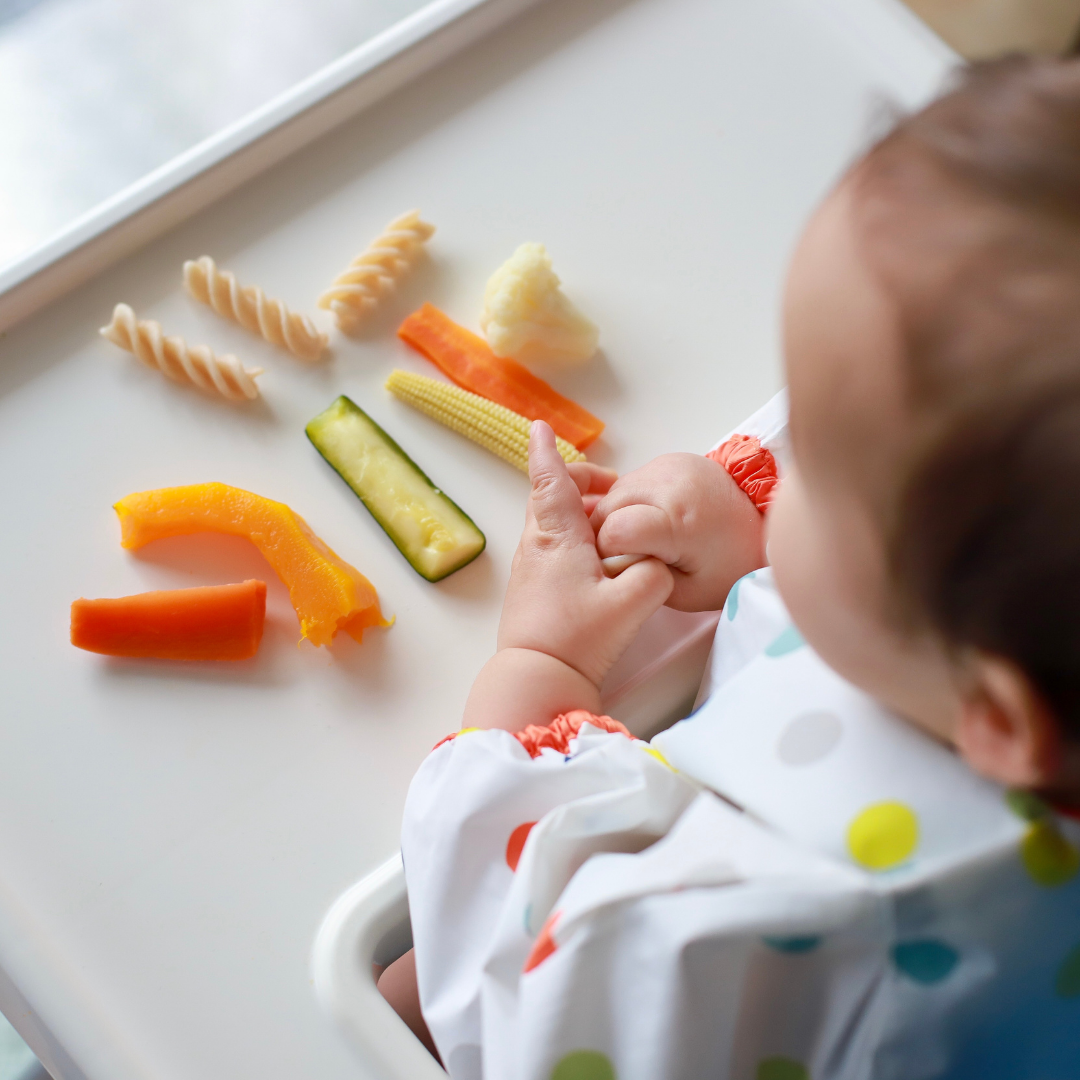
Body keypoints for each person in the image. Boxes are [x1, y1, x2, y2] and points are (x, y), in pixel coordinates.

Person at [379, 55, 1080, 1078]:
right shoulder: (998, 648)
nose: (780, 471)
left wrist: (540, 672)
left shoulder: (797, 927)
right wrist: (744, 523)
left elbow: (504, 999)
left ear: (1000, 716)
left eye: (822, 479)